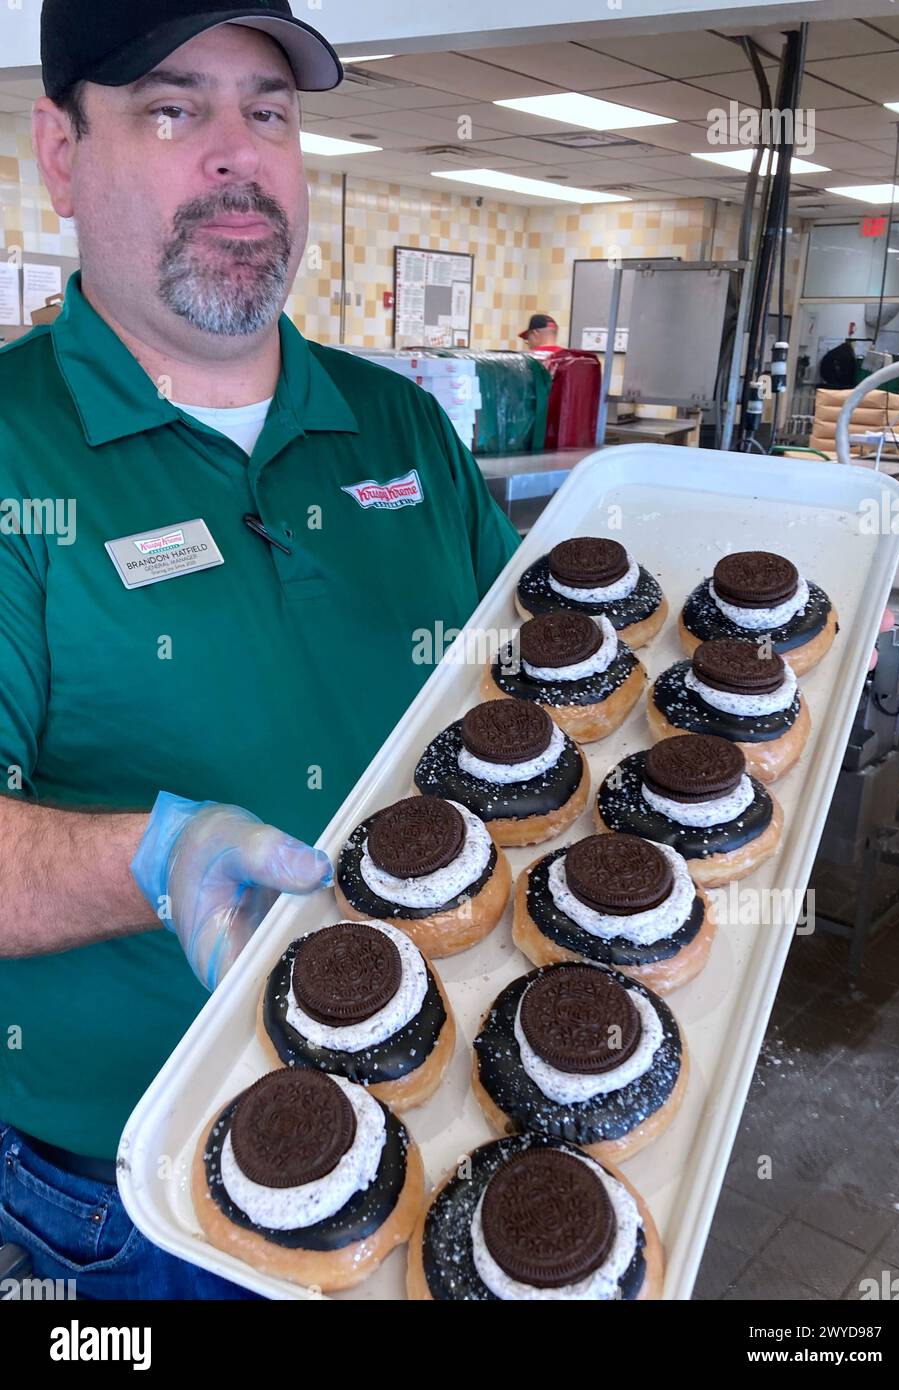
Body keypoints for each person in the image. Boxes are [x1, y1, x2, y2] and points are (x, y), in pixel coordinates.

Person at [0, 0, 520, 1299]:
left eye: (270, 110)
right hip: (135, 1192)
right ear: (61, 150)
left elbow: (535, 689)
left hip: (429, 1103)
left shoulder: (400, 428)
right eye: (175, 108)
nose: (237, 153)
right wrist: (155, 855)